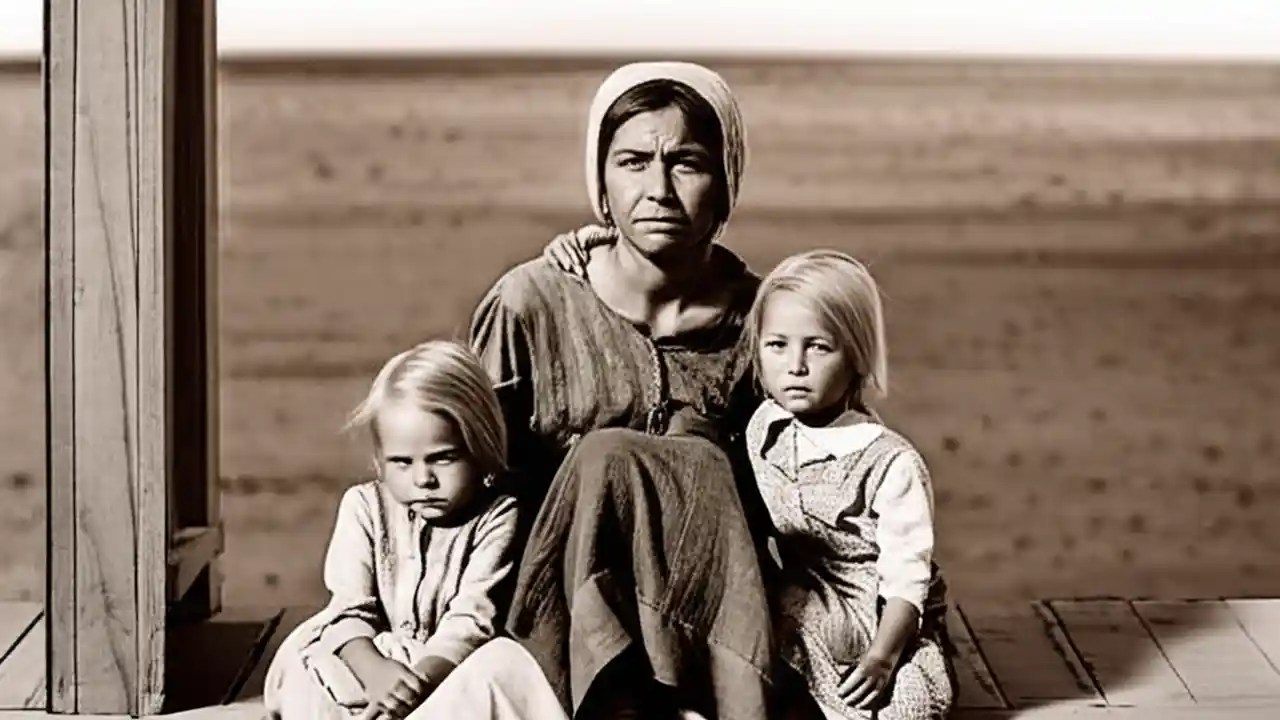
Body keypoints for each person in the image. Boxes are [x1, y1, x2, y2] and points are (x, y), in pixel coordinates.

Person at [469, 61, 775, 719]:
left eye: (686, 163)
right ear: (601, 182)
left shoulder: (765, 323)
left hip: (709, 622)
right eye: (633, 162)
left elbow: (817, 477)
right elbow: (473, 482)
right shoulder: (531, 304)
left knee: (695, 452)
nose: (658, 189)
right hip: (554, 623)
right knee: (605, 454)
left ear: (726, 181)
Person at [744, 250, 956, 719]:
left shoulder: (889, 463)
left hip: (876, 620)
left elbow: (906, 581)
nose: (795, 365)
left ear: (858, 356)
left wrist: (882, 659)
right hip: (797, 606)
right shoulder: (765, 428)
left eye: (818, 347)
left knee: (908, 707)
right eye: (777, 345)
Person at [263, 341, 519, 719]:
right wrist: (376, 673)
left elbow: (470, 621)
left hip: (447, 665)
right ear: (379, 461)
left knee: (501, 668)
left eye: (443, 458)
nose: (423, 479)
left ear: (481, 447)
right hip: (368, 652)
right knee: (306, 658)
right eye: (402, 462)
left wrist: (413, 686)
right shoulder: (364, 507)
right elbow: (349, 607)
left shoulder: (497, 515)